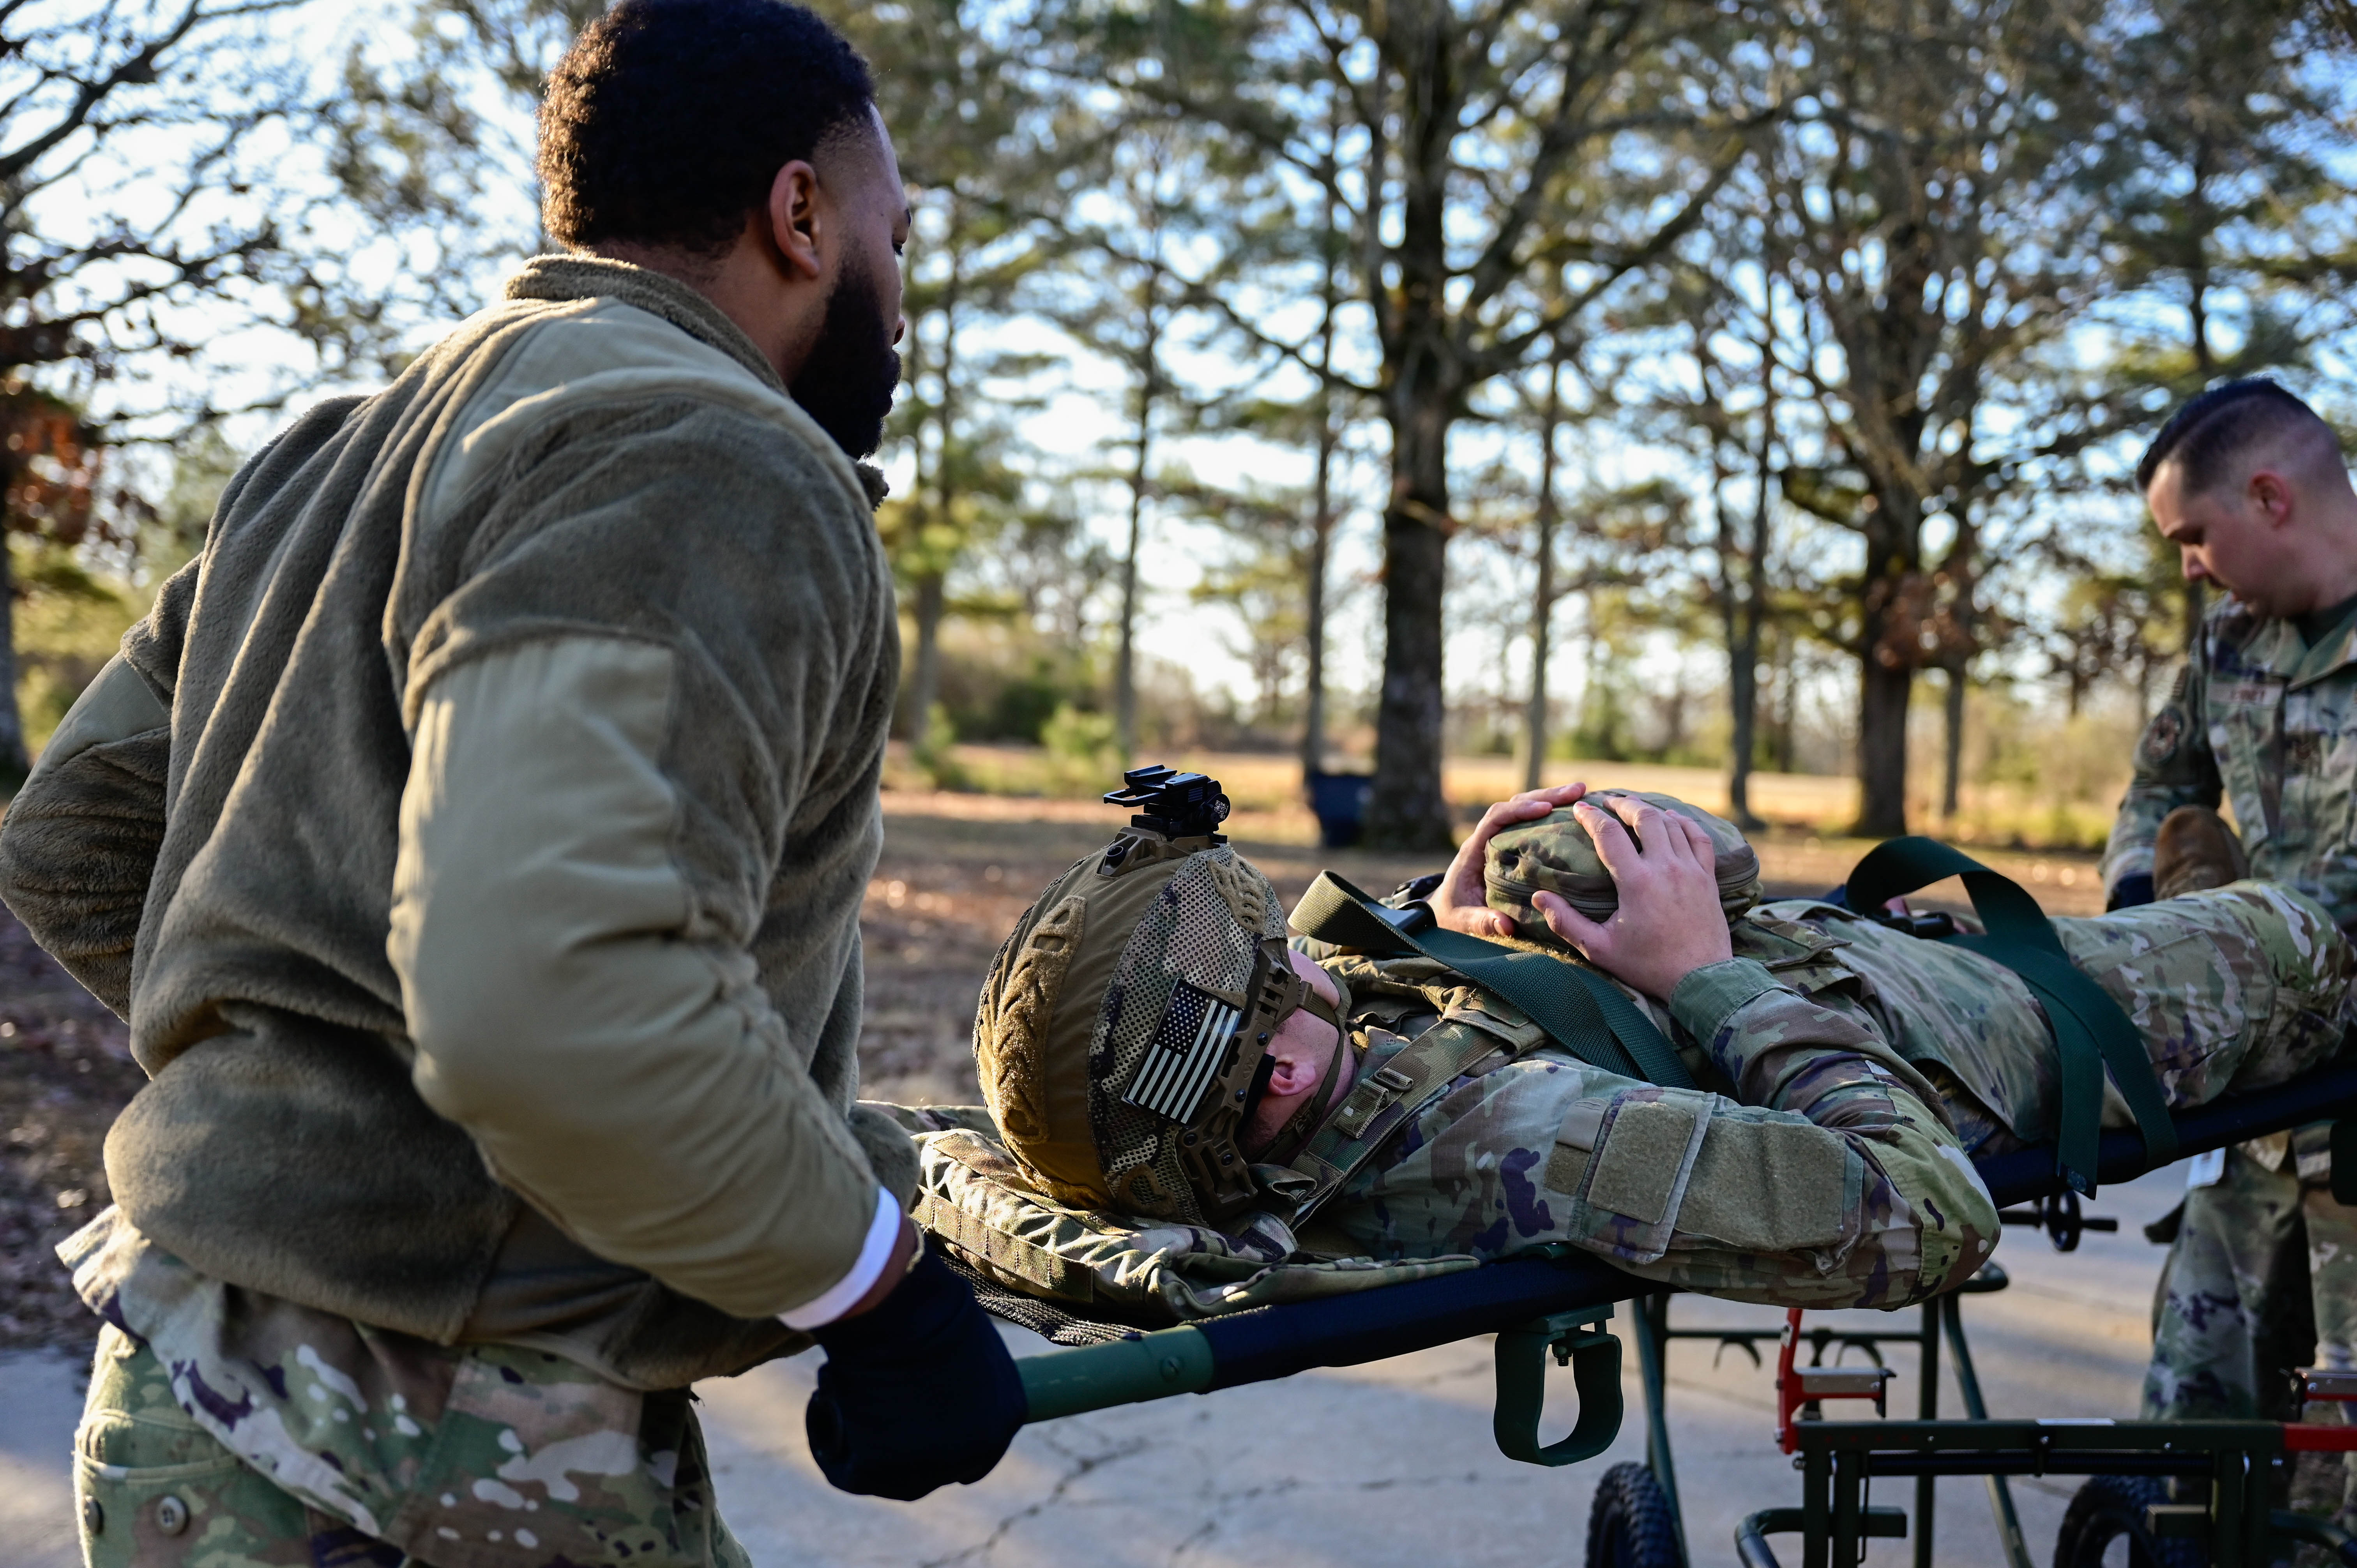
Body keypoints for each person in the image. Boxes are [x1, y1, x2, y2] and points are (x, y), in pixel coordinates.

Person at [0, 4, 1023, 1564]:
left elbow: (79, 838)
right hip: (441, 1442)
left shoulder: (350, 447)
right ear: (799, 215)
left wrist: (330, 1088)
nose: (903, 294)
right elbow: (551, 988)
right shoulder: (707, 449)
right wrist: (872, 1285)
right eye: (899, 235)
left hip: (185, 1393)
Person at [910, 786, 2352, 1318]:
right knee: (2308, 933)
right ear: (1276, 1075)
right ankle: (2237, 916)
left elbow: (1341, 1009)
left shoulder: (1259, 1099)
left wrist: (1454, 935)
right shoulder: (1544, 1147)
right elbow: (1925, 1216)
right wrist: (1711, 977)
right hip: (1963, 1037)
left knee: (1568, 864)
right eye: (1271, 962)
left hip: (1843, 965)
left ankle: (2190, 899)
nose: (1300, 948)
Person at [2097, 377, 2357, 1513]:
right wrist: (2145, 924)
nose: (2189, 565)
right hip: (2251, 1120)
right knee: (2194, 1454)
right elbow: (2161, 783)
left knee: (2335, 1488)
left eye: (2194, 537)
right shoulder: (2229, 644)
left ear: (2269, 497)